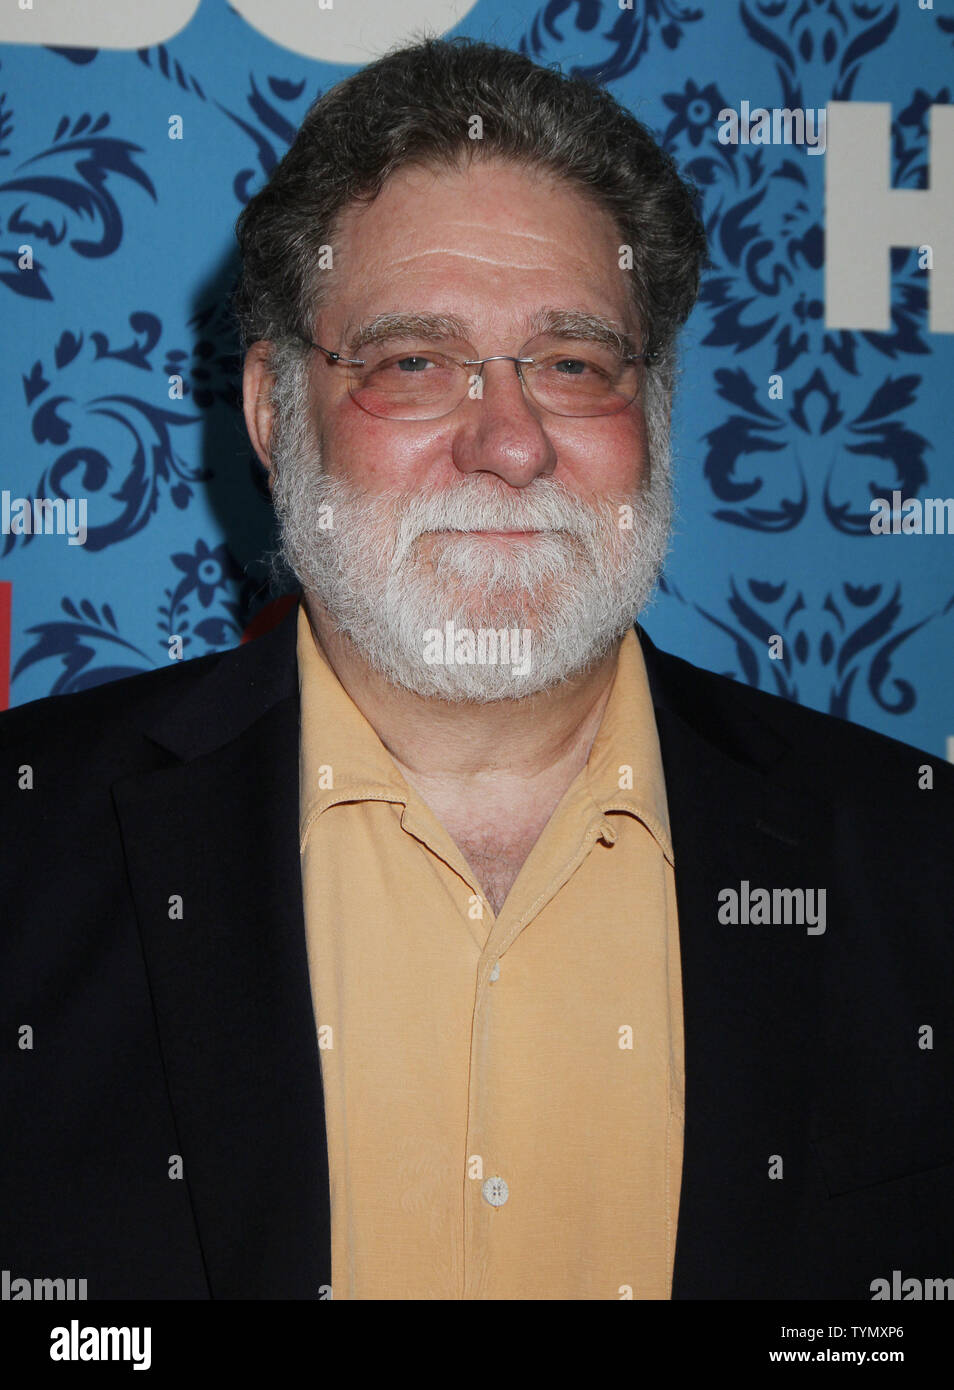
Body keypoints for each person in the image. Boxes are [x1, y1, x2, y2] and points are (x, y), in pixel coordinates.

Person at [1, 36, 952, 1303]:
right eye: (412, 362)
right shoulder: (26, 849)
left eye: (572, 364)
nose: (509, 442)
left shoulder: (915, 862)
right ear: (276, 414)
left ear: (655, 417)